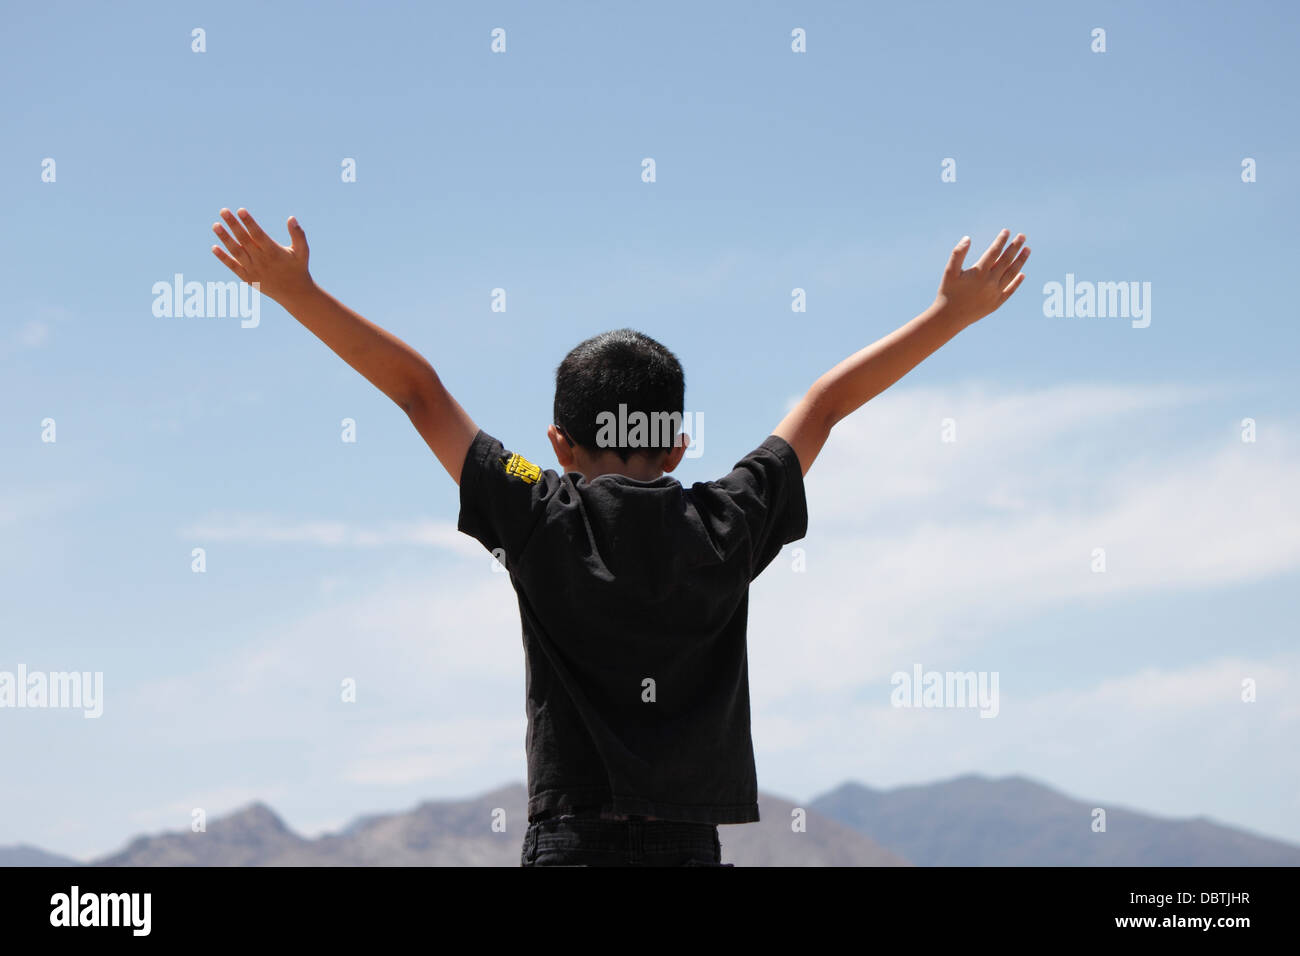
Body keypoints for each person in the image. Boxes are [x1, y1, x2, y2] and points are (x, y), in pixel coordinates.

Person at [210, 209, 1029, 866]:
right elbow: (825, 404)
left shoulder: (538, 506)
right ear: (677, 445)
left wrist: (293, 291)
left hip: (573, 841)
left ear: (560, 445)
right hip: (686, 845)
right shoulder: (728, 518)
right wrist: (949, 315)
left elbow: (420, 392)